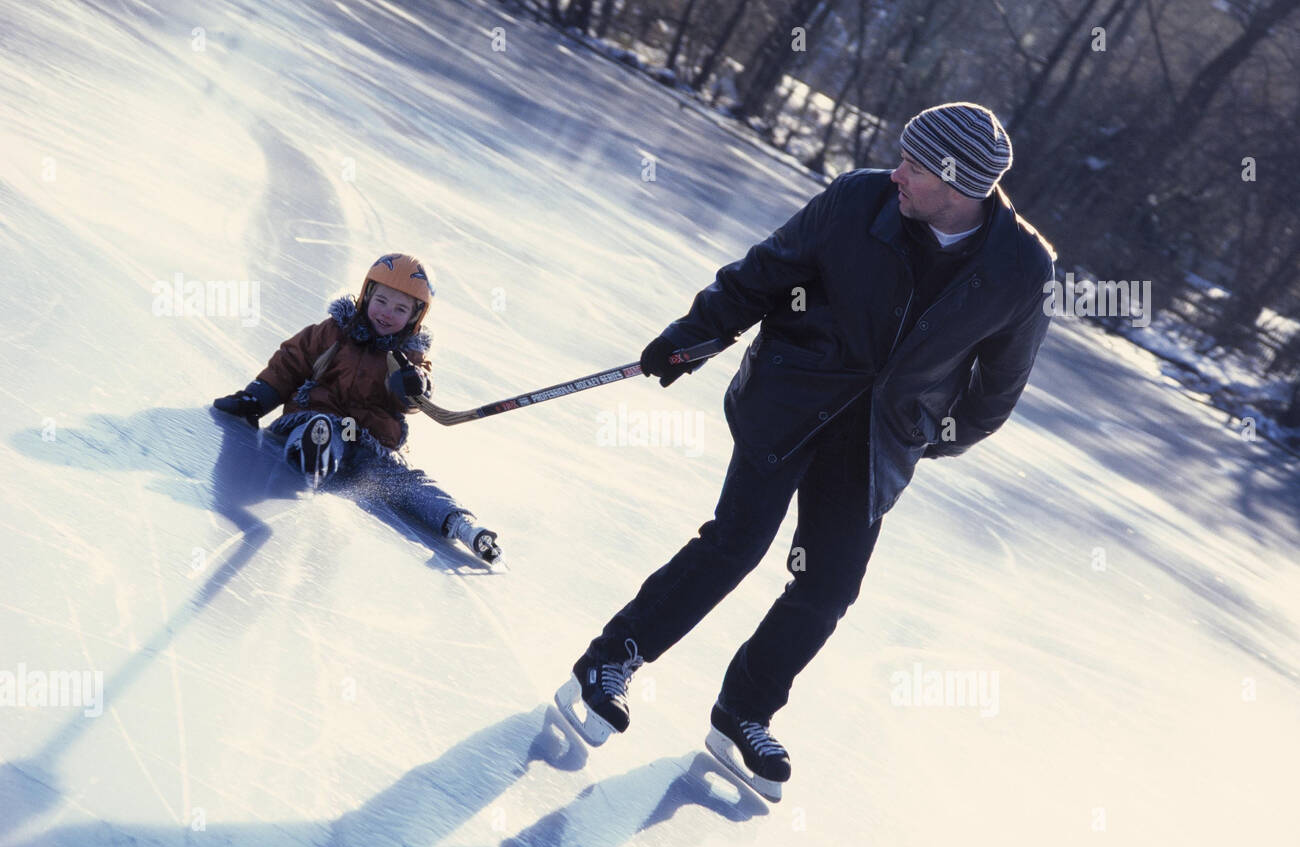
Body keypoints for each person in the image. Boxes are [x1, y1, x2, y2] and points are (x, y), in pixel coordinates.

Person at [557, 103, 1056, 800]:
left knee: (828, 587)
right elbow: (761, 275)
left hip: (877, 441)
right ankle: (611, 660)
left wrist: (927, 437)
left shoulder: (1022, 268)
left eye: (914, 165)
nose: (897, 173)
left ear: (958, 183)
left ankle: (744, 714)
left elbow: (998, 386)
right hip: (792, 400)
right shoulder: (861, 201)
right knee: (736, 543)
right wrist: (692, 338)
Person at [212, 253, 502, 565]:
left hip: (370, 443)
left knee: (406, 481)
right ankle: (313, 452)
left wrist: (412, 385)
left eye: (400, 308)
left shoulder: (409, 359)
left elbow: (417, 396)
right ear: (366, 295)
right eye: (382, 300)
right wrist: (257, 398)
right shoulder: (333, 332)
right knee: (324, 427)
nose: (387, 313)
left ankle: (462, 525)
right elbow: (291, 362)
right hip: (323, 416)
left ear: (416, 317)